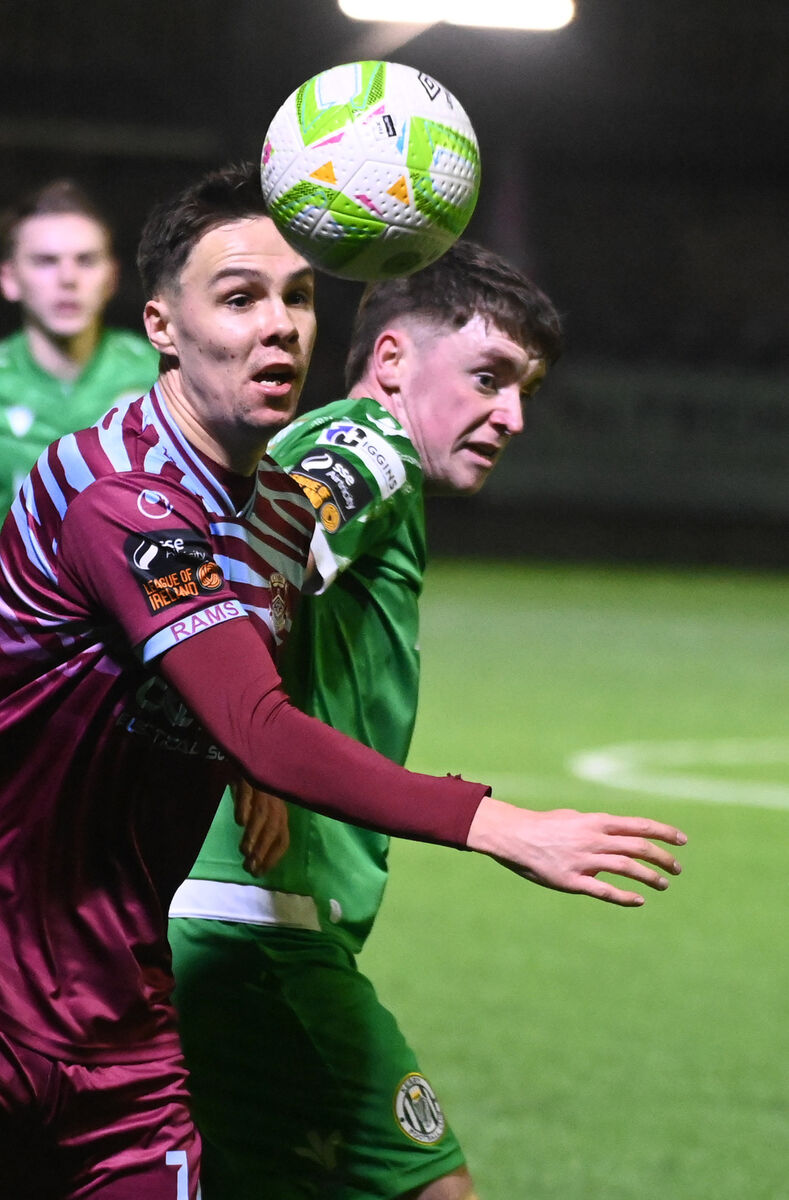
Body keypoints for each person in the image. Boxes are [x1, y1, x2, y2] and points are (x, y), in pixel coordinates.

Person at [0, 163, 685, 1200]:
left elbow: (253, 650)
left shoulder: (263, 505)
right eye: (239, 297)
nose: (281, 325)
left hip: (115, 987)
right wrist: (497, 824)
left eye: (300, 296)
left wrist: (241, 731)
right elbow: (260, 717)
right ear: (161, 327)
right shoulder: (128, 497)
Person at [168, 243, 580, 1200]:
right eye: (489, 377)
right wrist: (246, 753)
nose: (511, 415)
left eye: (524, 390)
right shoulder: (367, 441)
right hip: (254, 929)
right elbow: (252, 537)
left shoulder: (362, 455)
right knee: (432, 1191)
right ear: (391, 360)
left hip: (211, 913)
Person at [0, 177, 158, 612]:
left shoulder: (162, 378)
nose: (67, 278)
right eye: (44, 261)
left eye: (86, 260)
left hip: (135, 647)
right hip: (12, 652)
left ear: (112, 277)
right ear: (9, 279)